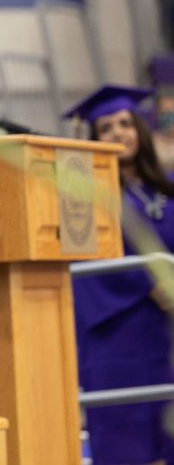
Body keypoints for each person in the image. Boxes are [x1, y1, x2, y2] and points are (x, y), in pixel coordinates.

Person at [65, 85, 174, 465]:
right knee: (126, 439)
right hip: (119, 336)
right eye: (107, 127)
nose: (119, 133)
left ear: (140, 130)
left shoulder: (166, 191)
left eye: (126, 123)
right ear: (95, 140)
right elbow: (87, 266)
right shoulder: (83, 200)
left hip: (167, 335)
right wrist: (154, 283)